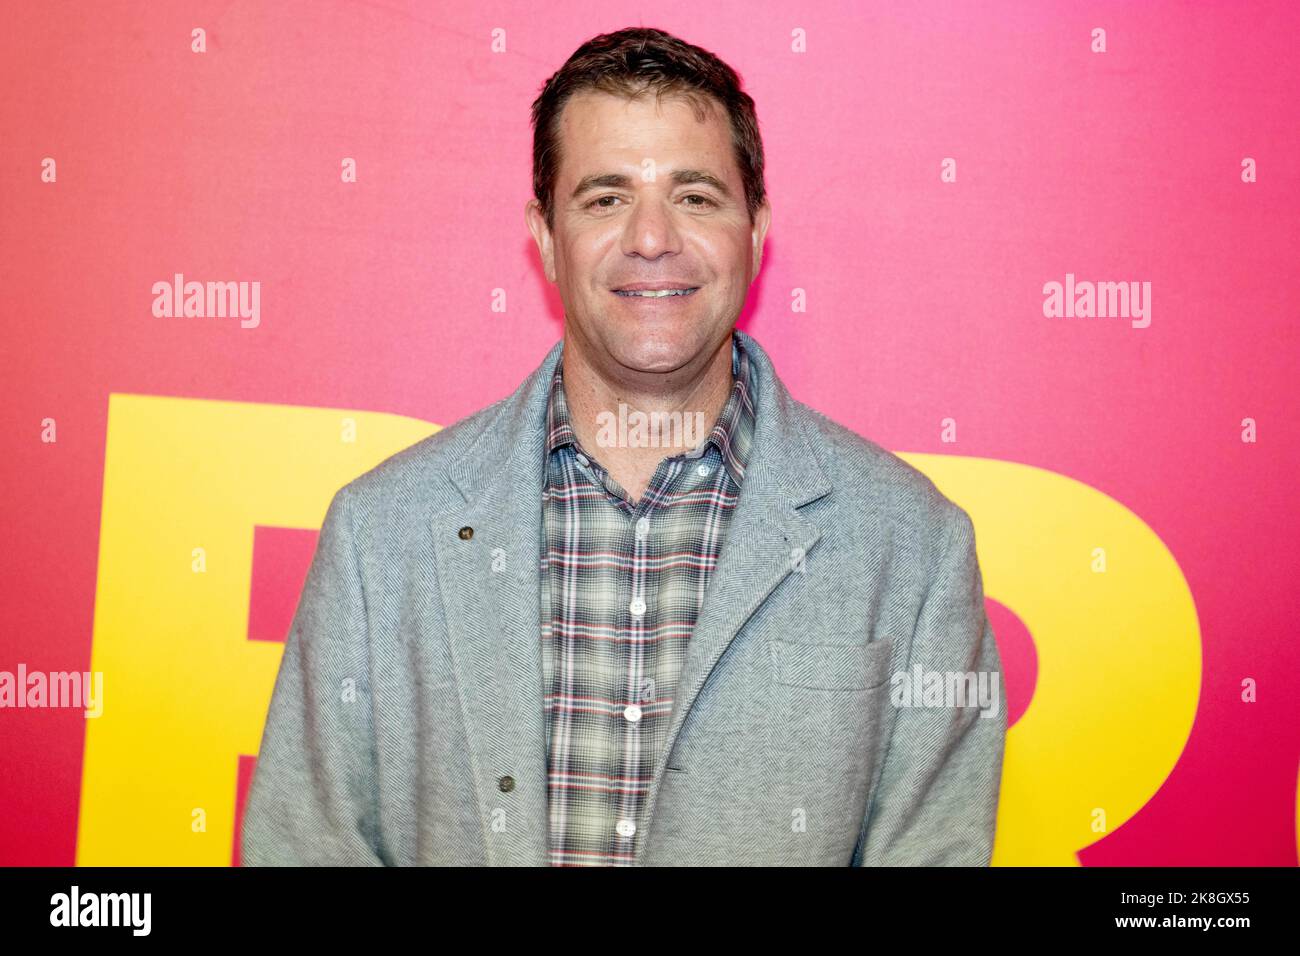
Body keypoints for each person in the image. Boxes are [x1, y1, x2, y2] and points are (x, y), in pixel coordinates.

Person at [241, 26, 1005, 867]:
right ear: (544, 238)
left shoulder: (914, 546)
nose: (651, 237)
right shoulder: (379, 533)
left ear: (756, 232)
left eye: (696, 196)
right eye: (606, 197)